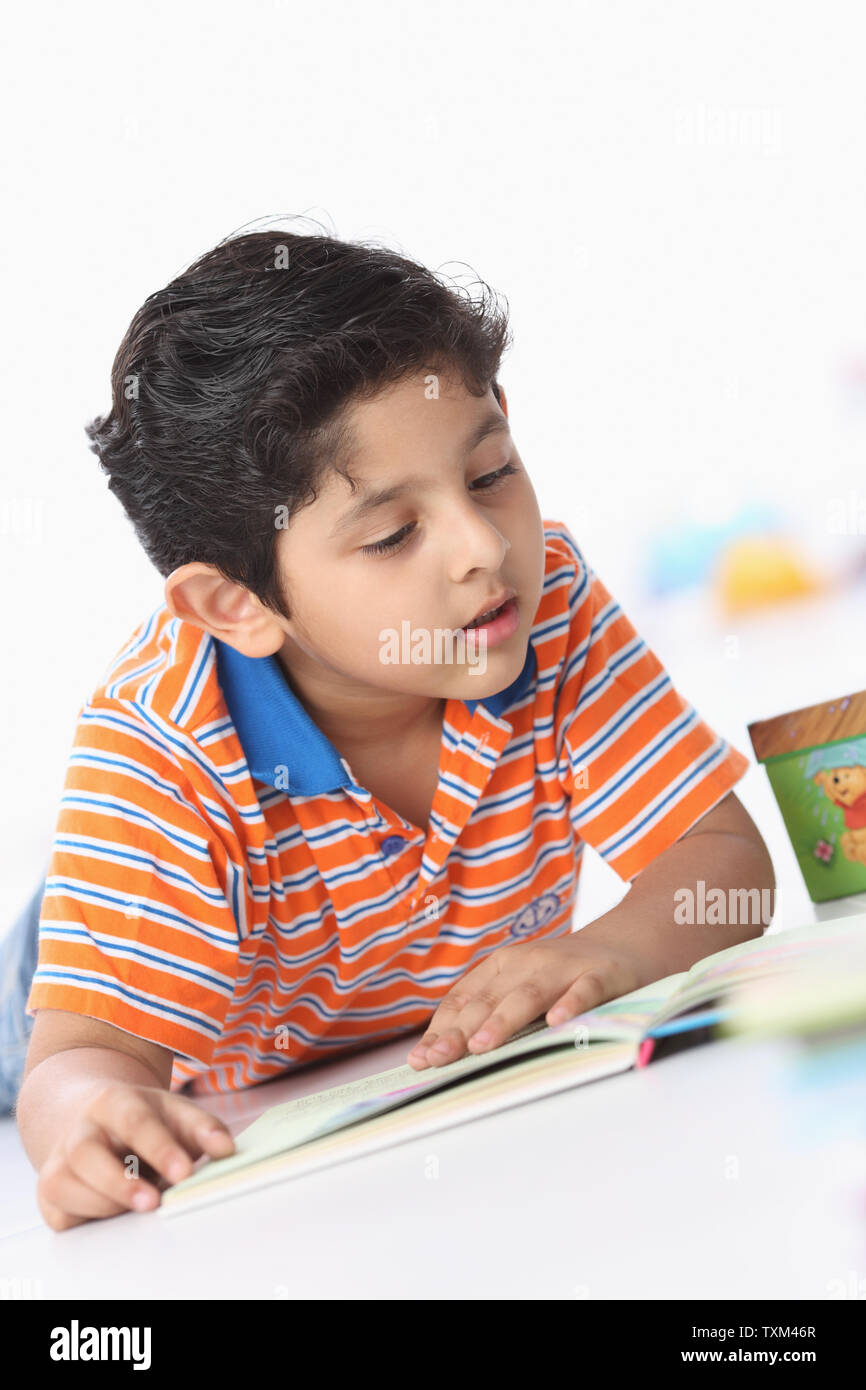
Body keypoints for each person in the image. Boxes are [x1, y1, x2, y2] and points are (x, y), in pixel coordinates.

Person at [7, 223, 775, 1229]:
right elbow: (76, 1057)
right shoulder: (160, 747)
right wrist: (85, 1111)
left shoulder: (545, 609)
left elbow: (722, 861)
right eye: (390, 533)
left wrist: (618, 947)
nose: (479, 548)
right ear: (238, 605)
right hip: (70, 964)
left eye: (489, 472)